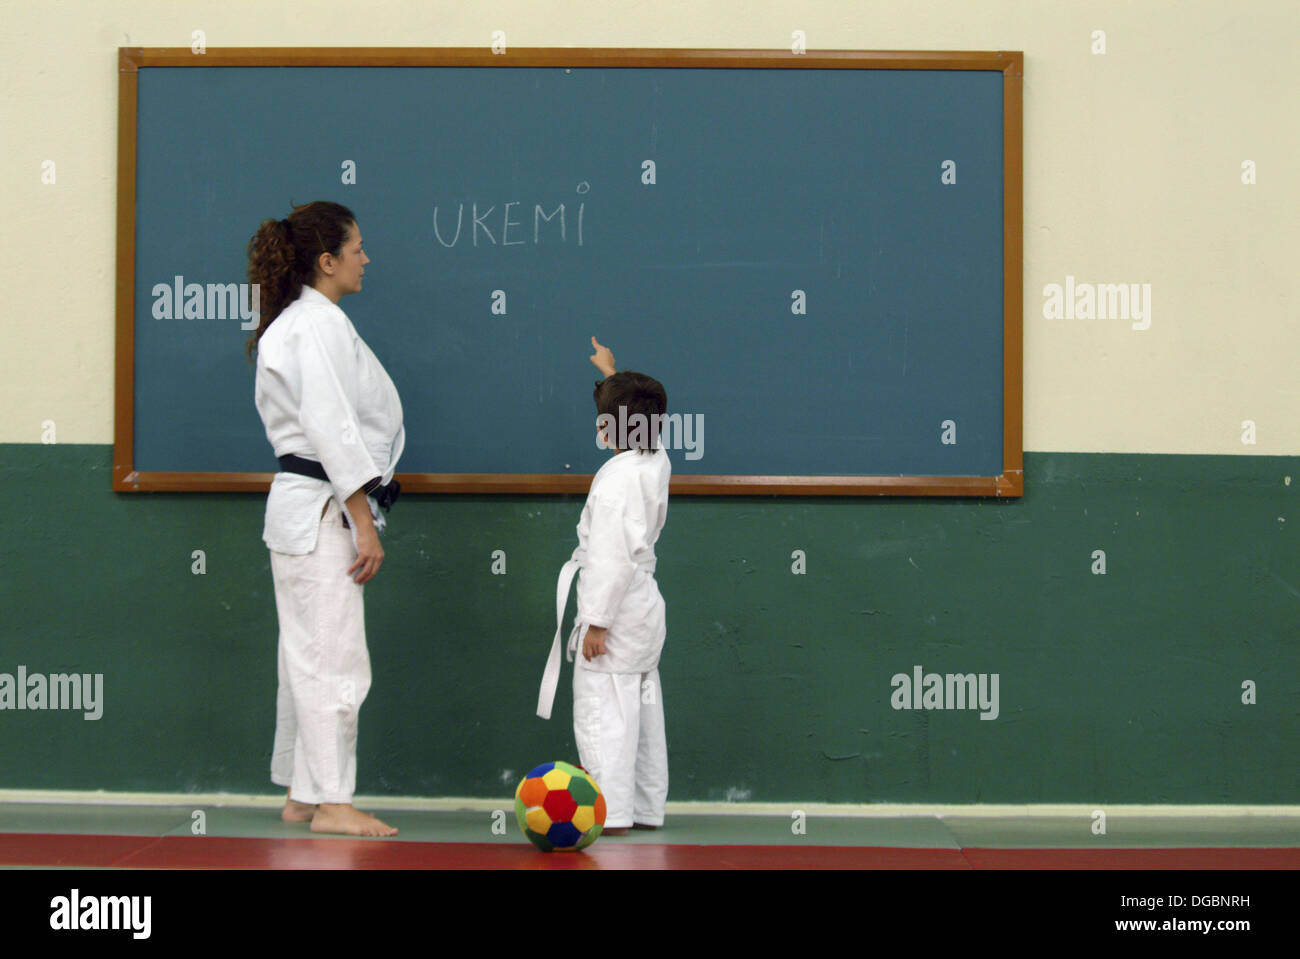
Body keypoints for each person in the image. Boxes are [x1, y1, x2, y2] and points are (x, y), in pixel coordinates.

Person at [245, 201, 403, 837]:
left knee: (307, 654)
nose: (367, 258)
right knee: (333, 658)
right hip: (325, 511)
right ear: (326, 260)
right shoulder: (315, 325)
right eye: (357, 247)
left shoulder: (305, 322)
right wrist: (363, 522)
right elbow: (333, 431)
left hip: (308, 510)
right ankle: (334, 800)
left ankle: (305, 794)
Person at [536, 337, 671, 835]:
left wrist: (595, 621)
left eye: (602, 419)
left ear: (611, 428)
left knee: (603, 713)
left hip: (615, 612)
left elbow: (611, 558)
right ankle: (642, 807)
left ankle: (609, 813)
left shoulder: (615, 481)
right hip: (642, 612)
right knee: (639, 711)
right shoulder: (654, 460)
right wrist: (611, 373)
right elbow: (640, 409)